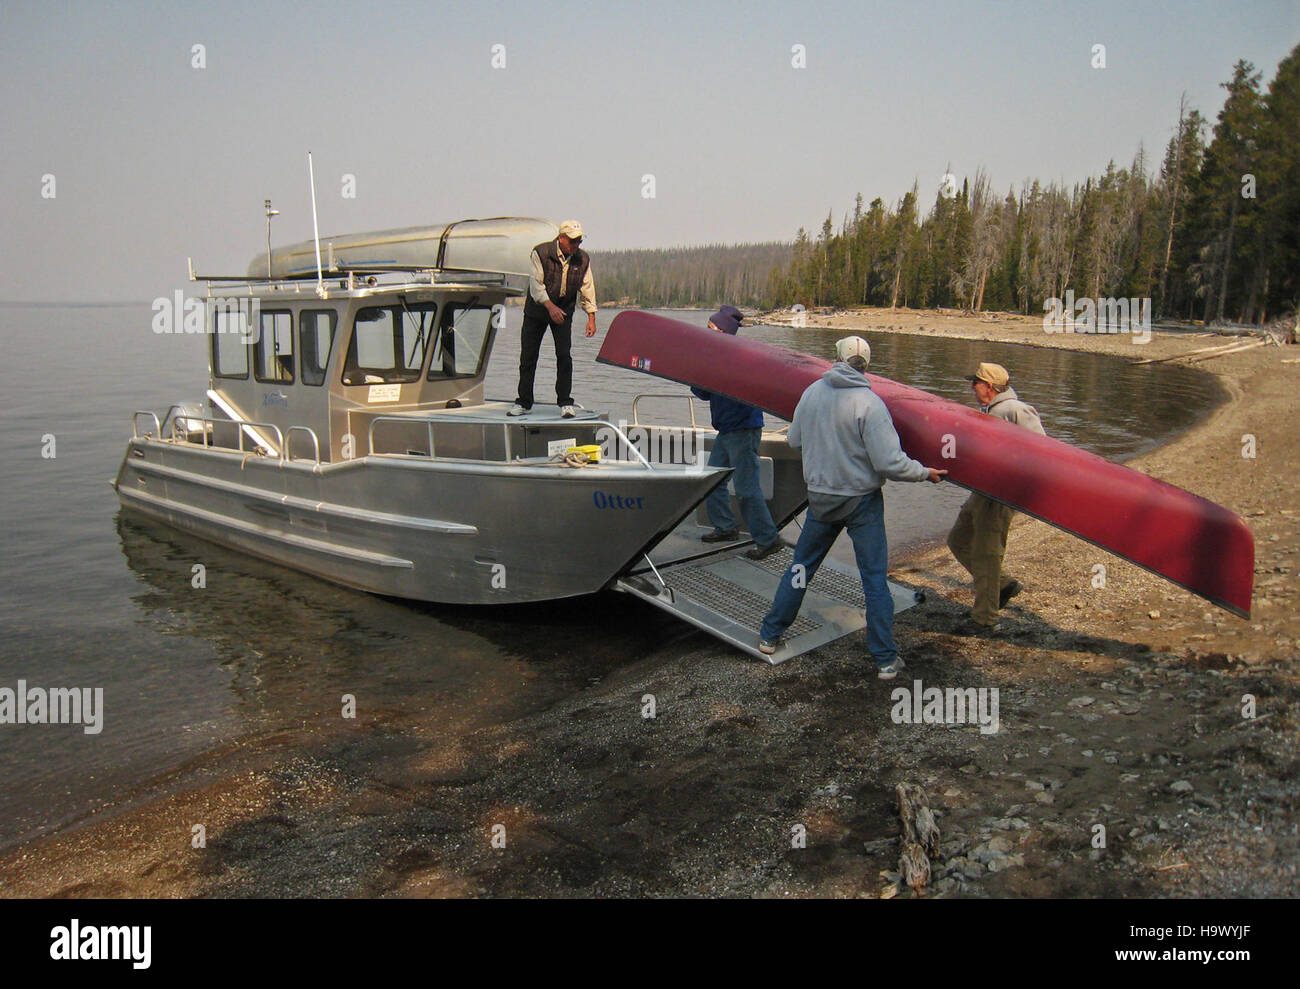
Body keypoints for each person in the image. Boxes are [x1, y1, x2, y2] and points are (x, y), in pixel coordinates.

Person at [759, 337, 947, 678]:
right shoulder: (870, 404)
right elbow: (890, 463)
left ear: (835, 358)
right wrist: (924, 473)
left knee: (800, 568)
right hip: (861, 503)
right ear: (867, 366)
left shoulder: (812, 393)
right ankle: (886, 660)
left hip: (820, 499)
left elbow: (794, 440)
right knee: (873, 579)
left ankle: (770, 636)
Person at [945, 362, 1046, 630]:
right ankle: (1001, 585)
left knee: (986, 554)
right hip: (981, 490)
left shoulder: (1016, 410)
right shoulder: (989, 411)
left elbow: (1044, 452)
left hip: (999, 495)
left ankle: (985, 618)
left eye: (975, 382)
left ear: (989, 386)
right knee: (958, 540)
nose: (972, 387)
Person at [690, 307, 784, 560]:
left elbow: (756, 390)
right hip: (726, 431)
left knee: (746, 489)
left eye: (711, 327)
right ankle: (726, 528)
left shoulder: (741, 358)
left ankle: (768, 540)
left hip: (743, 430)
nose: (706, 331)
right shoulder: (717, 357)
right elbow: (704, 393)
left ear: (721, 331)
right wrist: (695, 375)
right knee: (713, 481)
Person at [508, 220, 597, 419]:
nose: (576, 246)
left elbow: (587, 288)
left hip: (563, 311)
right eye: (573, 241)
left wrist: (591, 317)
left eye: (579, 241)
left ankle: (565, 402)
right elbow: (536, 285)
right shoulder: (540, 253)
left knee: (564, 356)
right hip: (538, 310)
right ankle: (523, 402)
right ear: (561, 238)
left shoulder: (582, 259)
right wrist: (550, 307)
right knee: (528, 357)